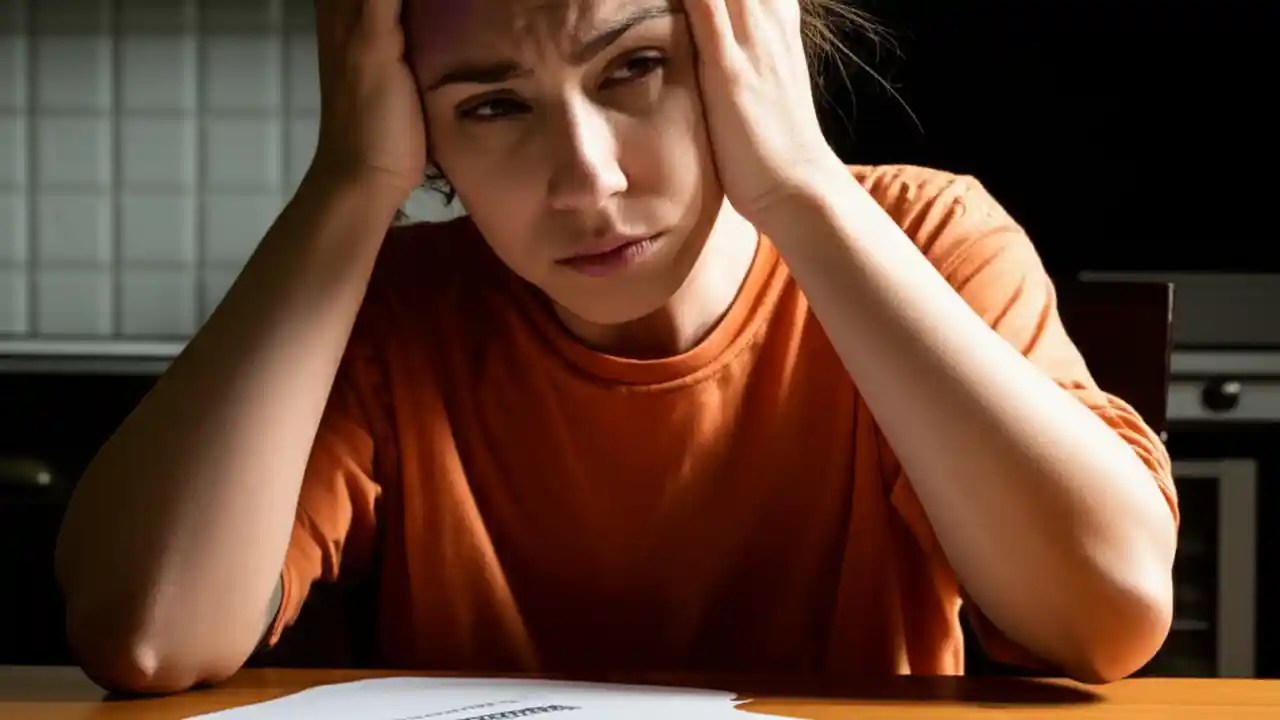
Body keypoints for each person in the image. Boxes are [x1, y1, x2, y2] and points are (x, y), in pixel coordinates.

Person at [54, 0, 1178, 695]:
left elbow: (1103, 619)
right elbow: (147, 635)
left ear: (747, 53)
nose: (586, 181)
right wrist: (350, 182)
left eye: (634, 68)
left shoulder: (928, 241)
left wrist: (795, 182)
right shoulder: (390, 314)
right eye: (492, 107)